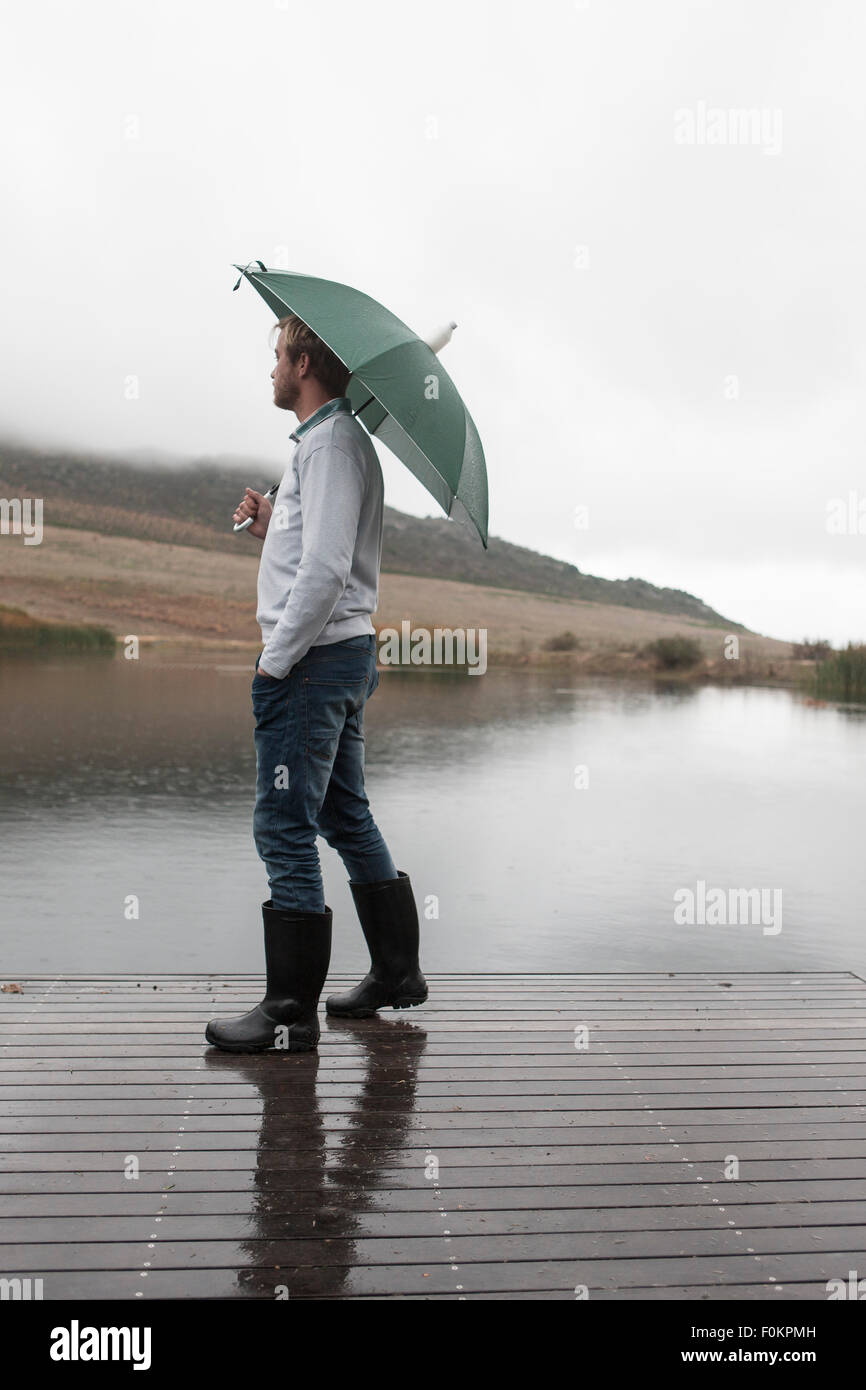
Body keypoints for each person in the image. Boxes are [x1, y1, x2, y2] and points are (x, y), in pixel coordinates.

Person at [205, 316, 426, 1052]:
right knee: (344, 814)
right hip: (340, 655)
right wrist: (274, 526)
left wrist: (277, 660)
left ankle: (287, 1008)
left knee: (284, 824)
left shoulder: (330, 444)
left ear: (303, 363)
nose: (270, 371)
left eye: (276, 357)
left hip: (312, 662)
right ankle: (396, 974)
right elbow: (322, 553)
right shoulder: (330, 444)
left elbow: (329, 571)